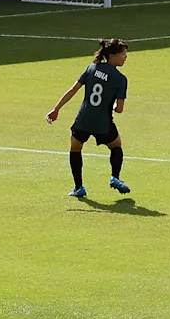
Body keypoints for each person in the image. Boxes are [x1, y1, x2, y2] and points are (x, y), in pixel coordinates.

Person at [44, 38, 132, 199]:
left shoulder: (91, 68)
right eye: (123, 53)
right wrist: (111, 105)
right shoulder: (121, 79)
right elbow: (119, 109)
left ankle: (78, 187)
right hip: (102, 123)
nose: (126, 57)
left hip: (83, 119)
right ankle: (115, 177)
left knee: (76, 148)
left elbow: (73, 89)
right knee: (116, 146)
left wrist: (56, 109)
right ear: (112, 55)